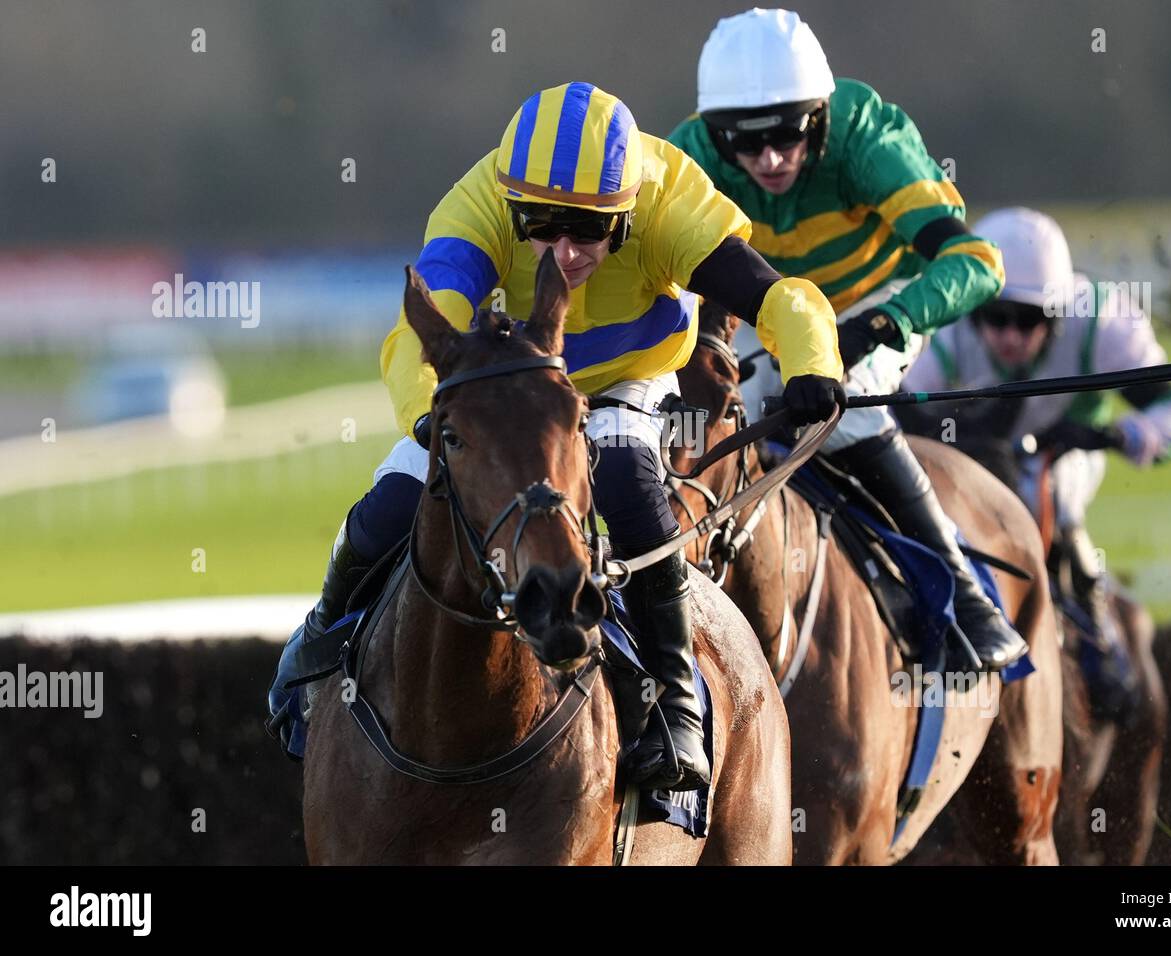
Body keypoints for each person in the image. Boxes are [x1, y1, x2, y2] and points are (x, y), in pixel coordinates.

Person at [268, 82, 846, 790]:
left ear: (629, 216)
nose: (564, 253)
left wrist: (814, 364)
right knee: (395, 501)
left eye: (589, 230)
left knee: (630, 491)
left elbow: (780, 298)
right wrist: (429, 417)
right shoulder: (475, 206)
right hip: (508, 391)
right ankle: (319, 640)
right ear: (512, 205)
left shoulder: (672, 200)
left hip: (625, 380)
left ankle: (676, 699)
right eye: (541, 225)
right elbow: (419, 333)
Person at [669, 8, 1024, 669]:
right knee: (697, 408)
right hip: (766, 312)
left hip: (876, 302)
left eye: (786, 135)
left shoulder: (864, 140)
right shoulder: (686, 156)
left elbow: (977, 262)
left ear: (821, 117)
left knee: (840, 403)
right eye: (744, 144)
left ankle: (961, 593)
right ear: (713, 135)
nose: (769, 160)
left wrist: (879, 325)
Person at [901, 206, 1171, 721]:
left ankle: (1095, 632)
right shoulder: (947, 327)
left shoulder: (1102, 323)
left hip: (1061, 454)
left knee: (1054, 495)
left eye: (1031, 319)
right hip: (973, 451)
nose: (1010, 336)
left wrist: (1111, 434)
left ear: (1062, 313)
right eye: (994, 317)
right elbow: (904, 419)